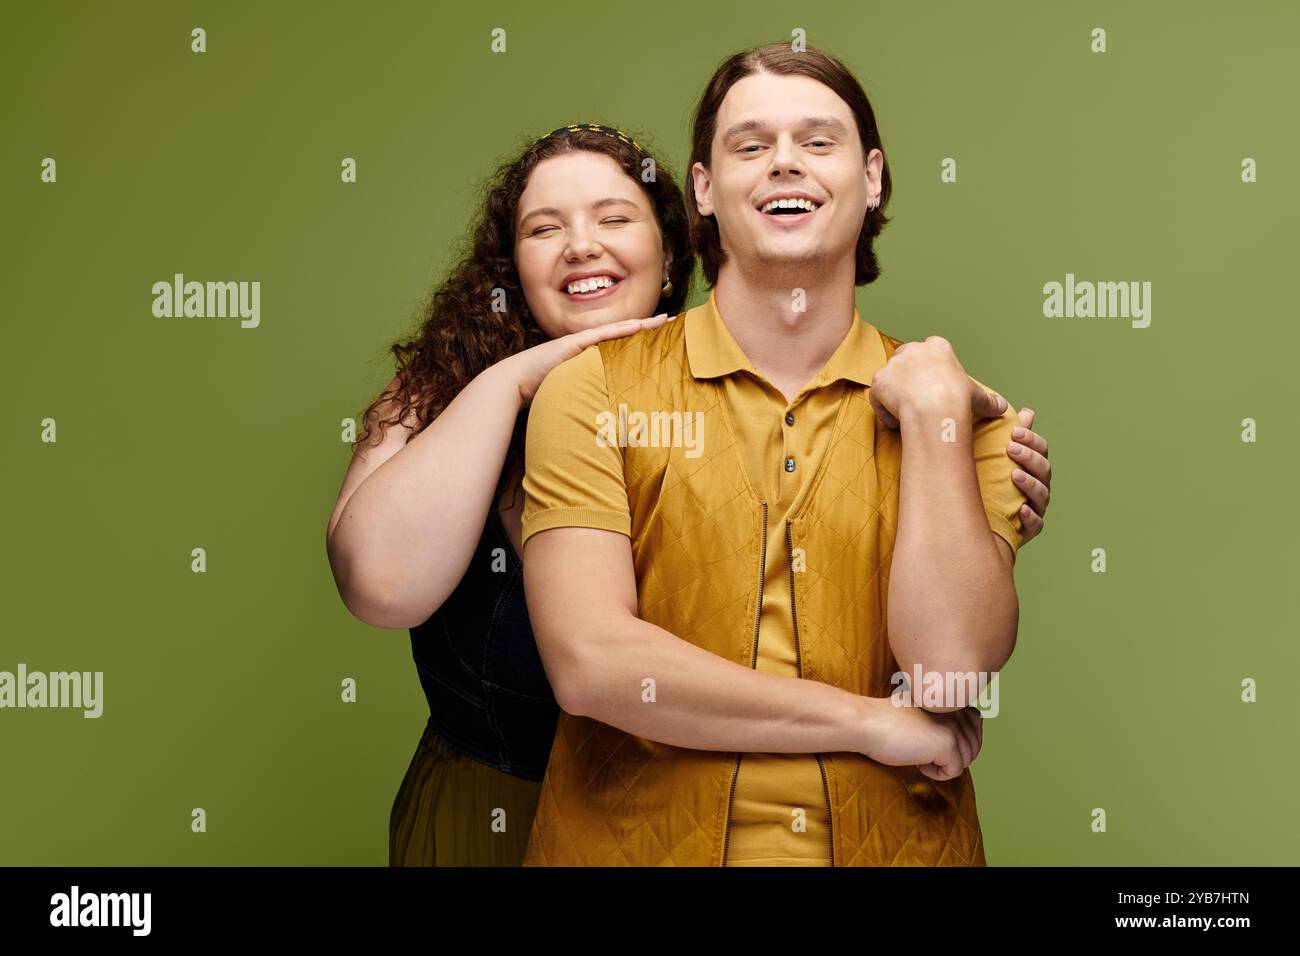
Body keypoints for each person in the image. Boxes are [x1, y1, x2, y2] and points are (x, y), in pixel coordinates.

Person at [325, 117, 1052, 865]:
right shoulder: (435, 392)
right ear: (511, 263)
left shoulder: (732, 394)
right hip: (489, 808)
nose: (582, 244)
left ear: (671, 247)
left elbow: (896, 643)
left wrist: (953, 462)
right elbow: (381, 585)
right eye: (544, 229)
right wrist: (513, 381)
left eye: (614, 218)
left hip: (670, 810)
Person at [518, 44, 1048, 866]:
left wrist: (937, 417)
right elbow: (593, 664)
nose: (785, 164)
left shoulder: (961, 414)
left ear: (872, 178)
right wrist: (870, 721)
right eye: (751, 145)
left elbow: (947, 677)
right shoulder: (591, 392)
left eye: (818, 140)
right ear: (702, 190)